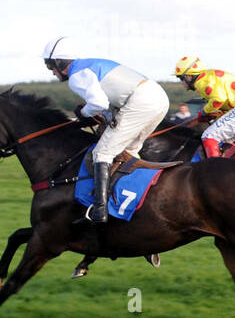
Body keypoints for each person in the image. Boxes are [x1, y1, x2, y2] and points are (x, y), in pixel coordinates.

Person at [42, 37, 169, 224]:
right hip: (158, 97)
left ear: (59, 62)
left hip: (141, 101)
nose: (52, 72)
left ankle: (99, 211)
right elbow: (108, 101)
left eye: (50, 66)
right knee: (128, 151)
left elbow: (98, 103)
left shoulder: (77, 75)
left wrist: (83, 112)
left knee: (102, 153)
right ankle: (137, 202)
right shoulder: (91, 64)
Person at [172, 56, 235, 158]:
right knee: (223, 140)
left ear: (189, 76)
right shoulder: (209, 76)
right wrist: (213, 114)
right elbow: (225, 106)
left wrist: (203, 112)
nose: (182, 82)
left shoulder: (201, 82)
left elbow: (218, 99)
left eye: (181, 78)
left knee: (209, 136)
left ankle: (216, 170)